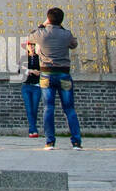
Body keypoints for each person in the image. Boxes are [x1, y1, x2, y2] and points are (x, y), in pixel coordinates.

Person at [27, 8, 83, 150]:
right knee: (69, 108)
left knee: (48, 108)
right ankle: (76, 142)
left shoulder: (41, 33)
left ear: (48, 19)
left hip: (46, 75)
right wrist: (61, 27)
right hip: (64, 74)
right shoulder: (66, 34)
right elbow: (74, 44)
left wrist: (43, 24)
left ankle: (49, 142)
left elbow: (30, 36)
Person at [20, 40, 42, 137]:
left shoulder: (40, 58)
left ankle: (32, 129)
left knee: (34, 108)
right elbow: (20, 70)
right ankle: (33, 130)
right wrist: (32, 71)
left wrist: (36, 72)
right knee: (29, 108)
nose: (32, 47)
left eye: (33, 45)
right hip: (26, 86)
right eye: (30, 46)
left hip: (36, 86)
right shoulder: (24, 58)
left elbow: (43, 70)